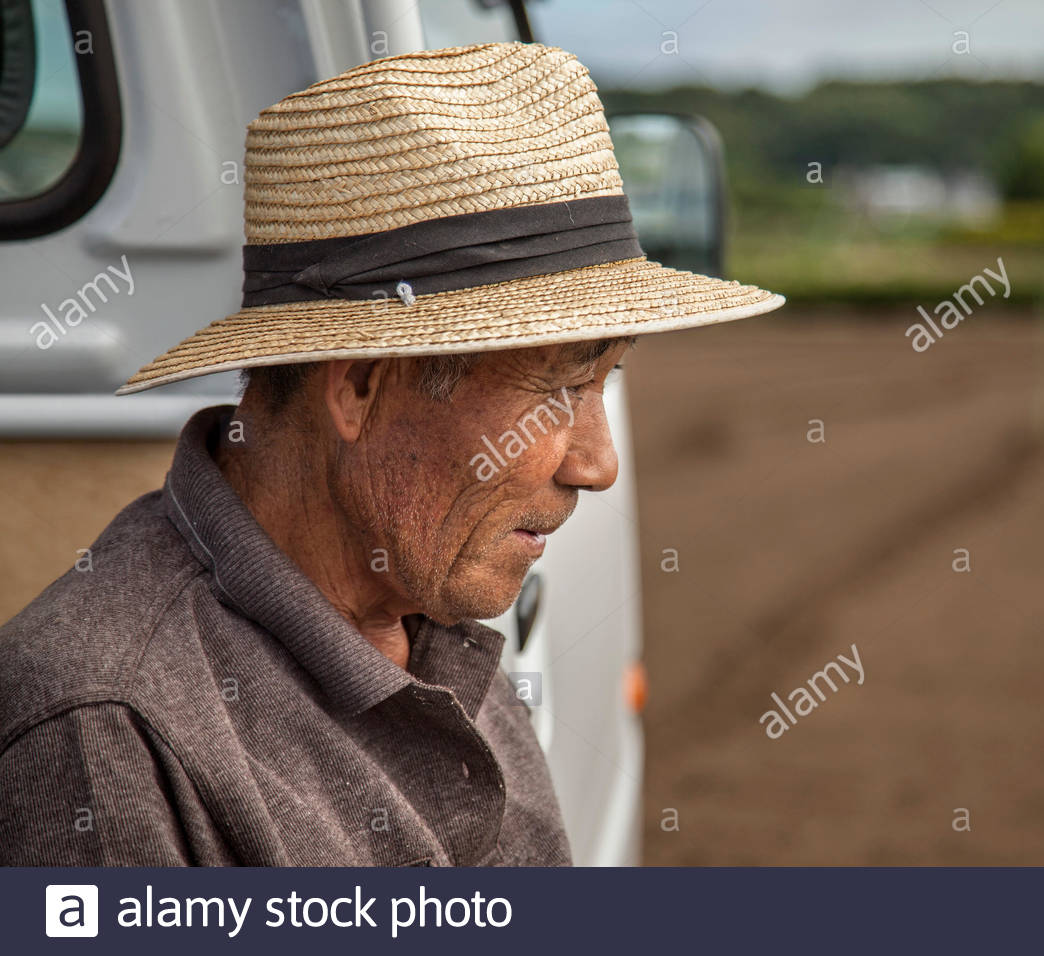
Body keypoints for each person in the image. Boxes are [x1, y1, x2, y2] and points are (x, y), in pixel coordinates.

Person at [0, 42, 781, 865]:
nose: (596, 464)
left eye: (605, 381)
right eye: (558, 389)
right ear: (361, 386)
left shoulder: (423, 608)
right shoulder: (107, 734)